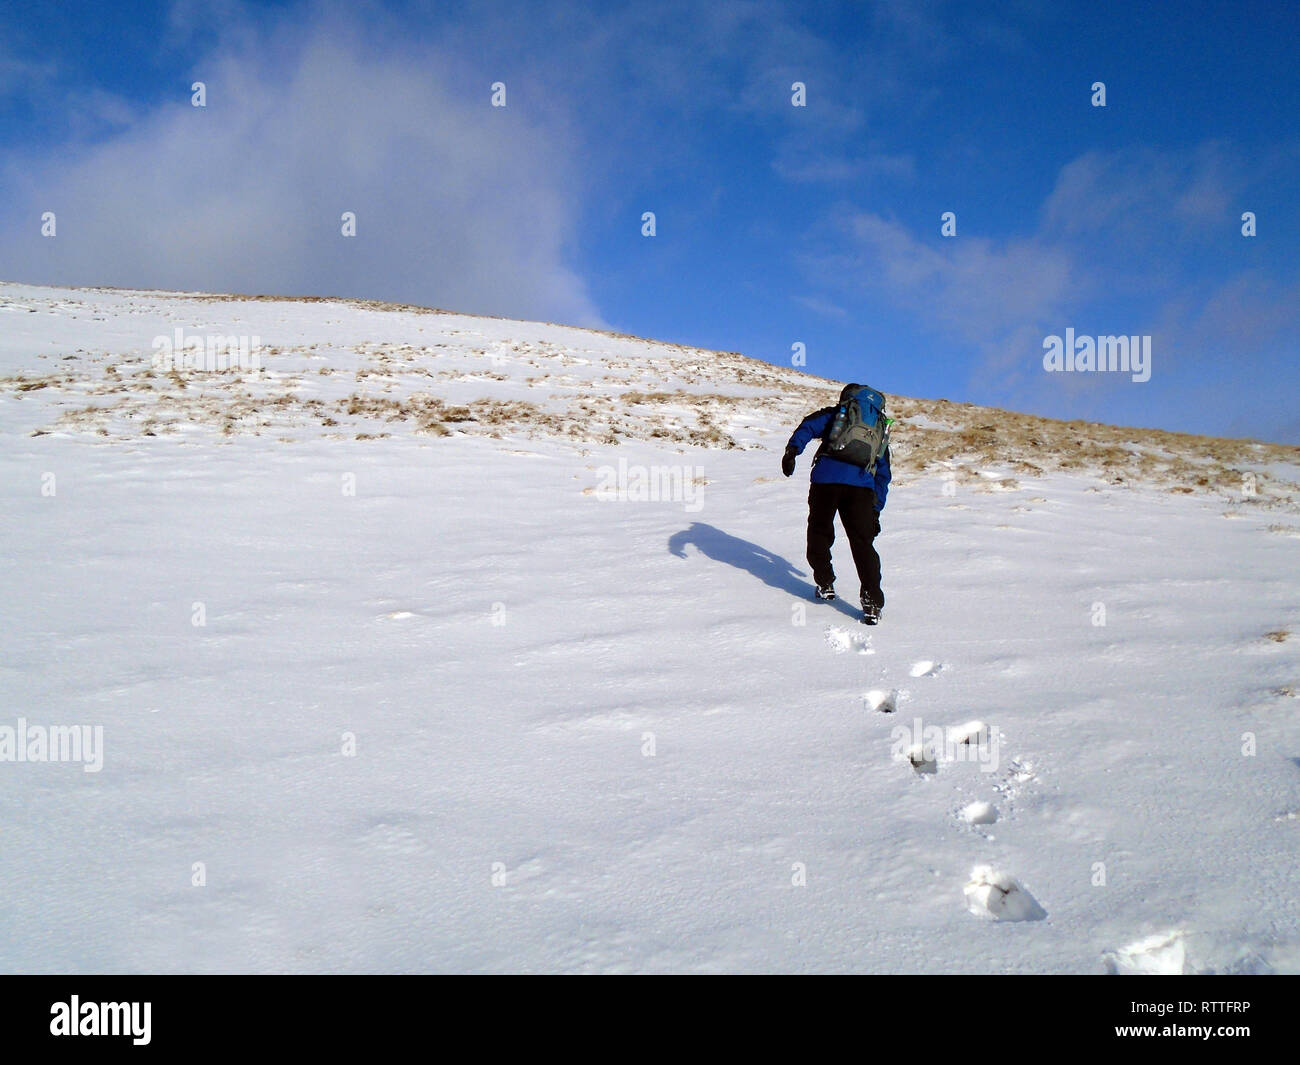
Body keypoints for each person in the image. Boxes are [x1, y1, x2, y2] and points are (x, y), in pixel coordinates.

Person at [782, 383, 891, 624]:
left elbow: (808, 426)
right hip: (861, 488)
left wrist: (792, 451)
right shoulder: (878, 429)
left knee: (820, 531)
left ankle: (825, 582)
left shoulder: (837, 414)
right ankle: (872, 602)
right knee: (863, 544)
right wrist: (875, 509)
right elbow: (883, 475)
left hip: (826, 481)